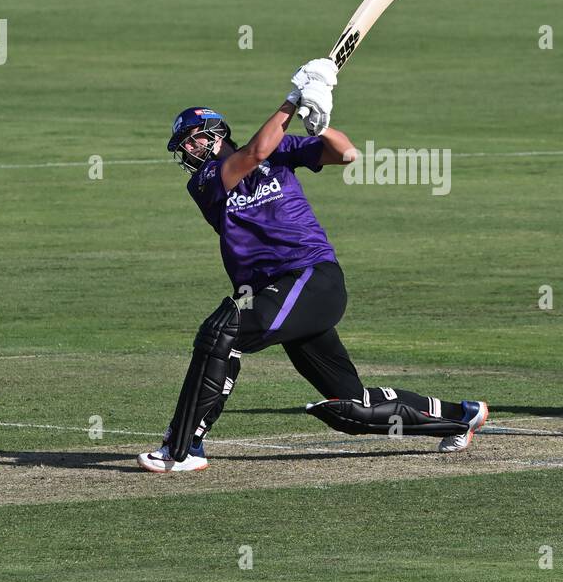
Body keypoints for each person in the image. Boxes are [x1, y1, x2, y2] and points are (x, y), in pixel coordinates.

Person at [138, 58, 488, 472]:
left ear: (214, 132)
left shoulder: (279, 151)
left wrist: (318, 123)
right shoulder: (205, 181)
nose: (187, 152)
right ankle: (460, 416)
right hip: (276, 294)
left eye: (191, 141)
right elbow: (255, 152)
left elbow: (347, 154)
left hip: (310, 277)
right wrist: (293, 98)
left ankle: (183, 449)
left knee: (223, 329)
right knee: (351, 408)